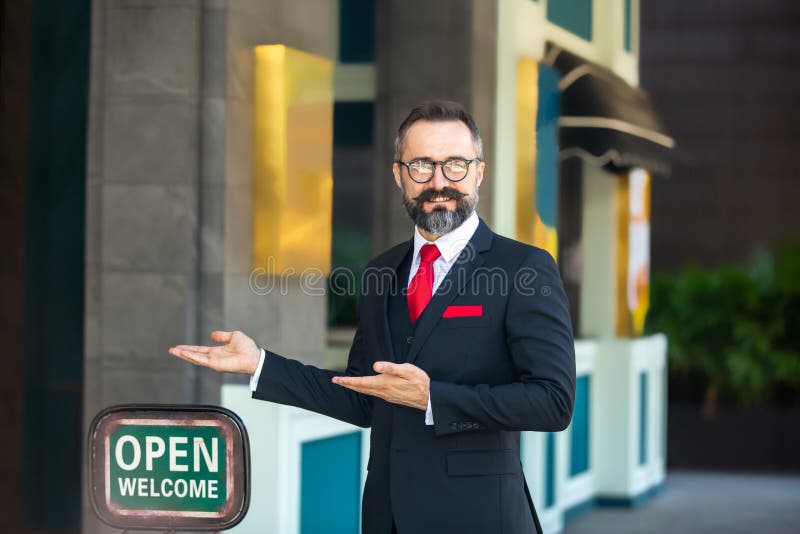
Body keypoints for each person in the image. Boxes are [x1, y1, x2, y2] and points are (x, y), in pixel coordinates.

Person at [169, 100, 576, 534]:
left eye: (455, 165)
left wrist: (433, 398)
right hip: (387, 515)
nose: (439, 181)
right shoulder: (382, 272)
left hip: (478, 517)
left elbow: (553, 402)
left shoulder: (523, 268)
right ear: (399, 174)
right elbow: (365, 396)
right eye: (421, 165)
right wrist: (260, 364)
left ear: (478, 171)